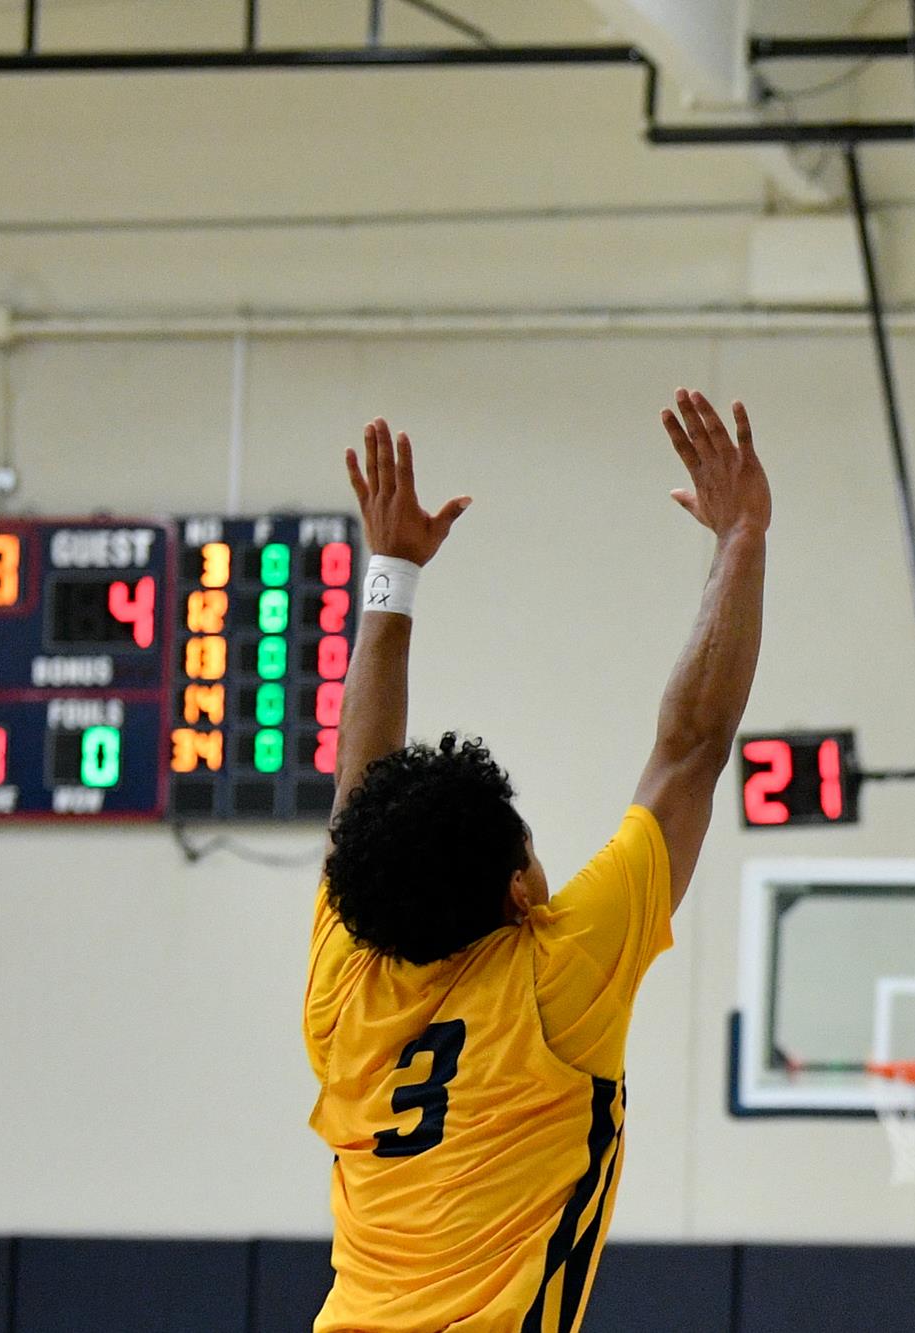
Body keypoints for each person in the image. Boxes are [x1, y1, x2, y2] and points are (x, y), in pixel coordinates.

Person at [305, 393, 769, 1331]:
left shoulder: (345, 985)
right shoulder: (556, 980)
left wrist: (392, 574)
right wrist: (743, 538)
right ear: (520, 893)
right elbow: (692, 747)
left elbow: (362, 794)